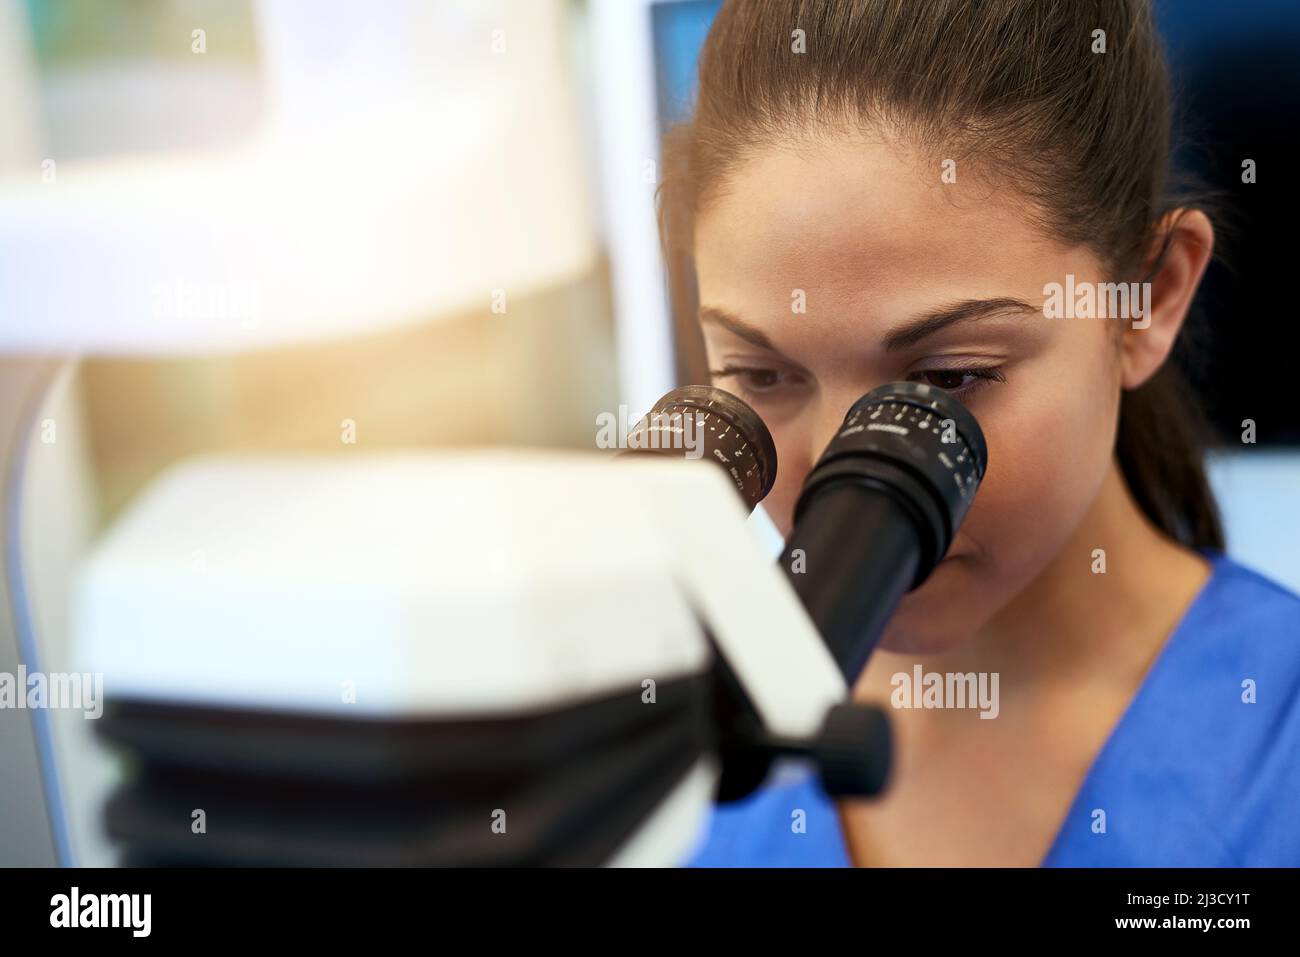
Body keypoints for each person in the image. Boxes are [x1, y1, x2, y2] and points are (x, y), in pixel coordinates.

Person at [660, 0, 1300, 866]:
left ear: (1145, 299)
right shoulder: (661, 721)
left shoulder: (1274, 755)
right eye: (763, 375)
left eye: (947, 381)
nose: (838, 478)